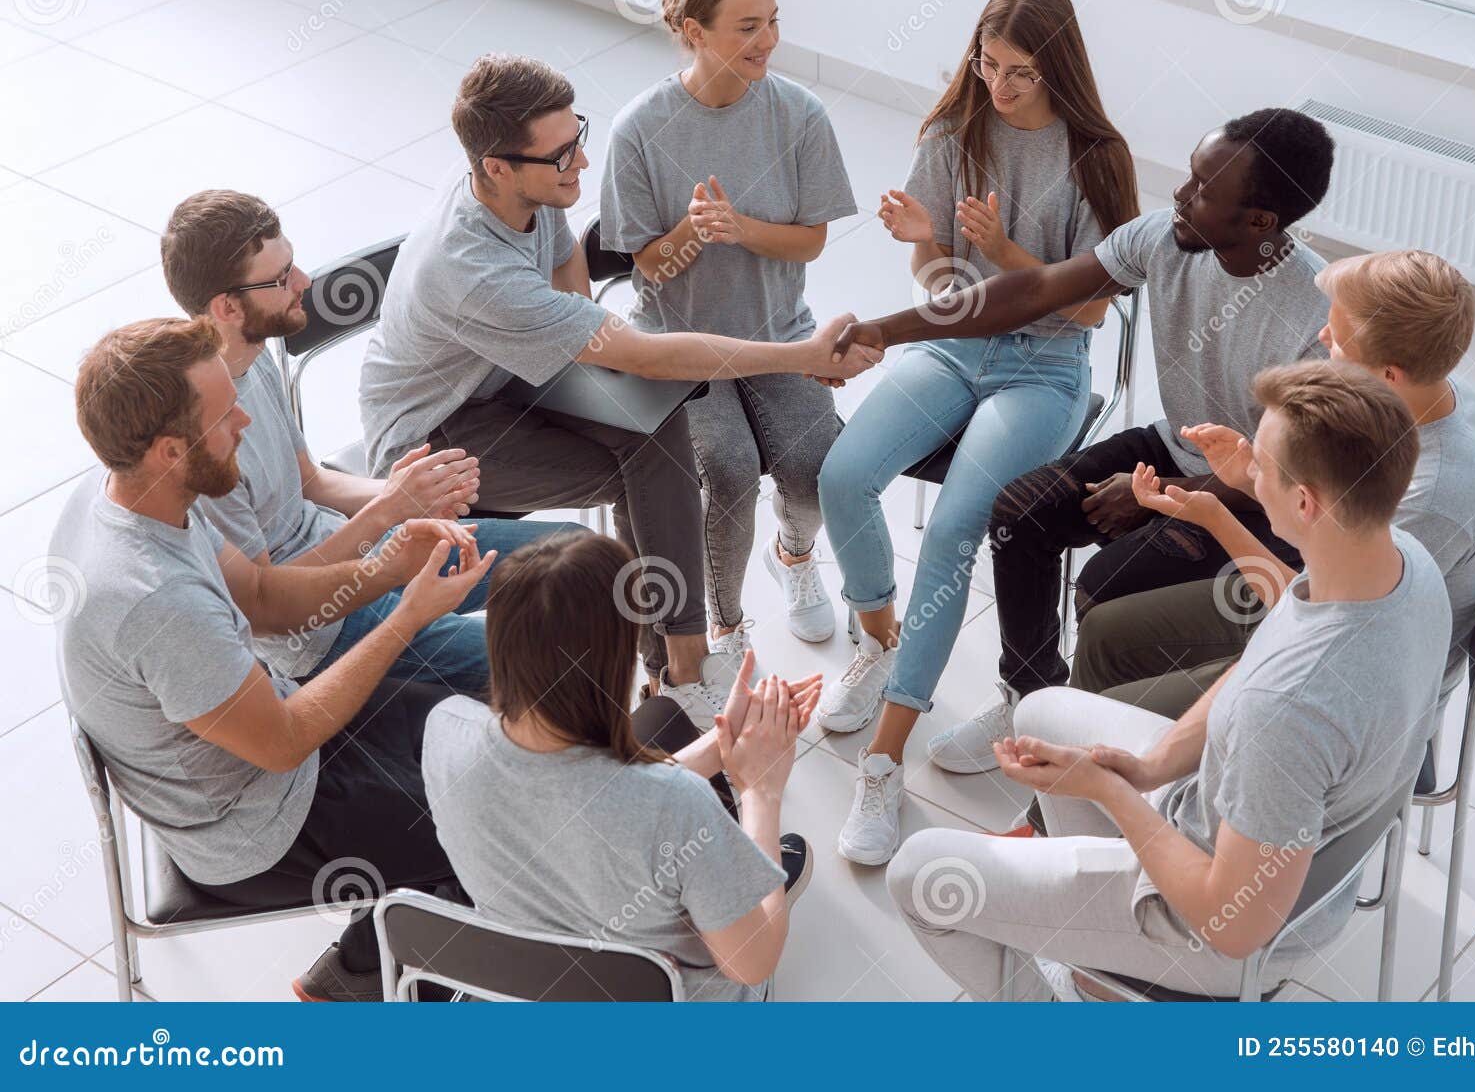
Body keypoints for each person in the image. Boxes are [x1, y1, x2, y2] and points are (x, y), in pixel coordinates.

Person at [889, 360, 1450, 1000]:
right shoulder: (1400, 560)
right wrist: (1151, 767)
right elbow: (1268, 648)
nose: (1247, 476)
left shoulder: (1290, 709)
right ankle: (1089, 953)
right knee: (1041, 709)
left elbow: (1229, 926)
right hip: (1228, 826)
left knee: (919, 874)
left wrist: (1111, 792)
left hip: (1207, 927)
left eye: (1259, 466)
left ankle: (1060, 1003)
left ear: (1304, 503)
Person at [359, 53, 880, 728]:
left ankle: (672, 670)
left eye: (578, 136)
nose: (580, 163)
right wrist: (804, 355)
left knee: (654, 430)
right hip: (436, 434)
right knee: (649, 455)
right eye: (559, 156)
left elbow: (568, 261)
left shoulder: (527, 188)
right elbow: (642, 354)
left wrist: (581, 324)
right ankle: (678, 669)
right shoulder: (473, 270)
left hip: (508, 376)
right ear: (497, 165)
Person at [831, 107, 1335, 775]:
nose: (1181, 195)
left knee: (1108, 584)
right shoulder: (1168, 235)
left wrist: (1162, 496)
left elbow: (1292, 484)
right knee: (1019, 513)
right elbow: (1035, 290)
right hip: (1179, 449)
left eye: (1205, 188)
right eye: (1189, 175)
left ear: (1261, 222)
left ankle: (1119, 745)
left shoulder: (1317, 318)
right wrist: (883, 331)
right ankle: (1031, 698)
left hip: (1257, 503)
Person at [55, 318, 495, 1002]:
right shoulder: (155, 602)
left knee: (478, 734)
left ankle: (357, 964)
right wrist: (411, 612)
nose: (246, 420)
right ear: (172, 449)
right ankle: (383, 995)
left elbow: (262, 595)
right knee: (493, 824)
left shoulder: (138, 486)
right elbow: (284, 744)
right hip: (256, 822)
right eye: (224, 413)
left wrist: (384, 568)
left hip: (265, 719)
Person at [811, 0, 1138, 864]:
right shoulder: (956, 132)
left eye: (1021, 73)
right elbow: (939, 294)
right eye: (987, 65)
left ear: (1058, 68)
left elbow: (1089, 314)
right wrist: (925, 242)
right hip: (954, 350)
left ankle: (885, 757)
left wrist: (1000, 251)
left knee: (957, 524)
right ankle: (878, 638)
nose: (999, 87)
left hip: (1045, 369)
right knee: (840, 474)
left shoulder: (1095, 158)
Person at [161, 189, 578, 694]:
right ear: (227, 306)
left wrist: (401, 494)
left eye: (294, 264)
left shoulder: (253, 354)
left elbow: (311, 482)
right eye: (281, 277)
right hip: (322, 630)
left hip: (362, 547)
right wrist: (385, 513)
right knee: (537, 671)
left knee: (580, 560)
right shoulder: (205, 444)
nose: (304, 282)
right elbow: (272, 604)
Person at [1074, 248, 1475, 720]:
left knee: (1107, 715)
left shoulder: (1429, 498)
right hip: (1321, 598)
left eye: (1337, 341)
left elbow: (1315, 623)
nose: (1321, 339)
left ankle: (1090, 768)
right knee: (1102, 634)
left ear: (1388, 376)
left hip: (1349, 685)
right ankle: (1071, 774)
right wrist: (1253, 476)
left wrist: (1216, 515)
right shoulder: (1428, 396)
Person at [424, 531, 820, 1001]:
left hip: (522, 993)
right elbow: (752, 962)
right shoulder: (680, 807)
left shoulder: (444, 730)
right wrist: (760, 792)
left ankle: (734, 880)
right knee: (749, 887)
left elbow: (590, 801)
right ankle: (750, 881)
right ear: (615, 659)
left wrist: (718, 746)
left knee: (664, 724)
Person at [601, 0, 858, 654]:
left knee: (817, 468)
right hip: (680, 347)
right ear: (695, 31)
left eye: (773, 22)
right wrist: (690, 230)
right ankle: (726, 624)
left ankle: (795, 557)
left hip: (780, 336)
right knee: (729, 474)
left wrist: (740, 230)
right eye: (748, 26)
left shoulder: (799, 116)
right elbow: (646, 267)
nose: (768, 41)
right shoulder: (639, 131)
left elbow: (810, 243)